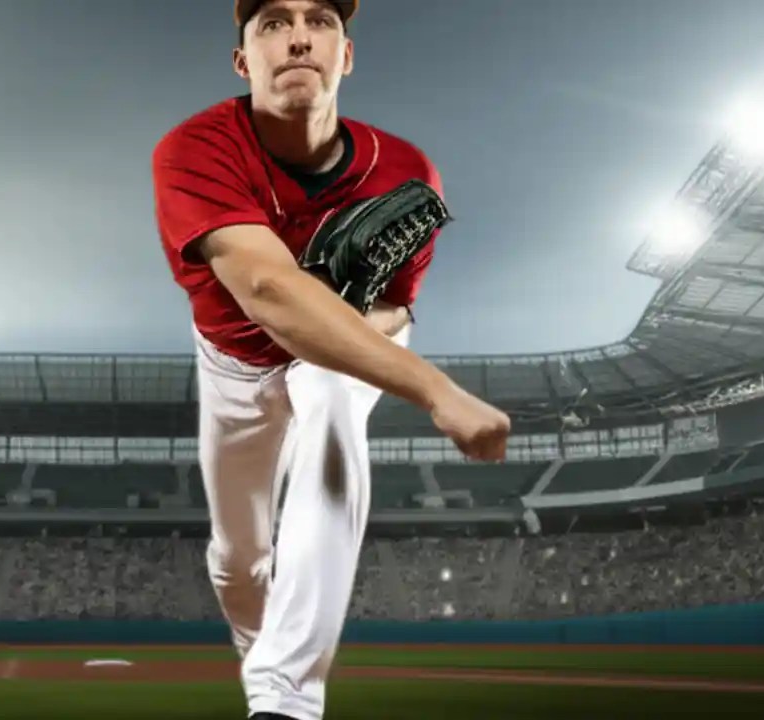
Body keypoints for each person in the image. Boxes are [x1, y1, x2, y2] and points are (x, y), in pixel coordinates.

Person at [150, 1, 512, 718]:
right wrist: (438, 392)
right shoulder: (196, 148)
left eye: (320, 20)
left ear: (345, 56)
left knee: (335, 404)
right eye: (272, 23)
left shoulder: (406, 170)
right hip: (234, 362)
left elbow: (392, 308)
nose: (298, 36)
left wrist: (344, 328)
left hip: (344, 343)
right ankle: (261, 650)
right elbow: (265, 289)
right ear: (242, 61)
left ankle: (285, 699)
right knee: (237, 557)